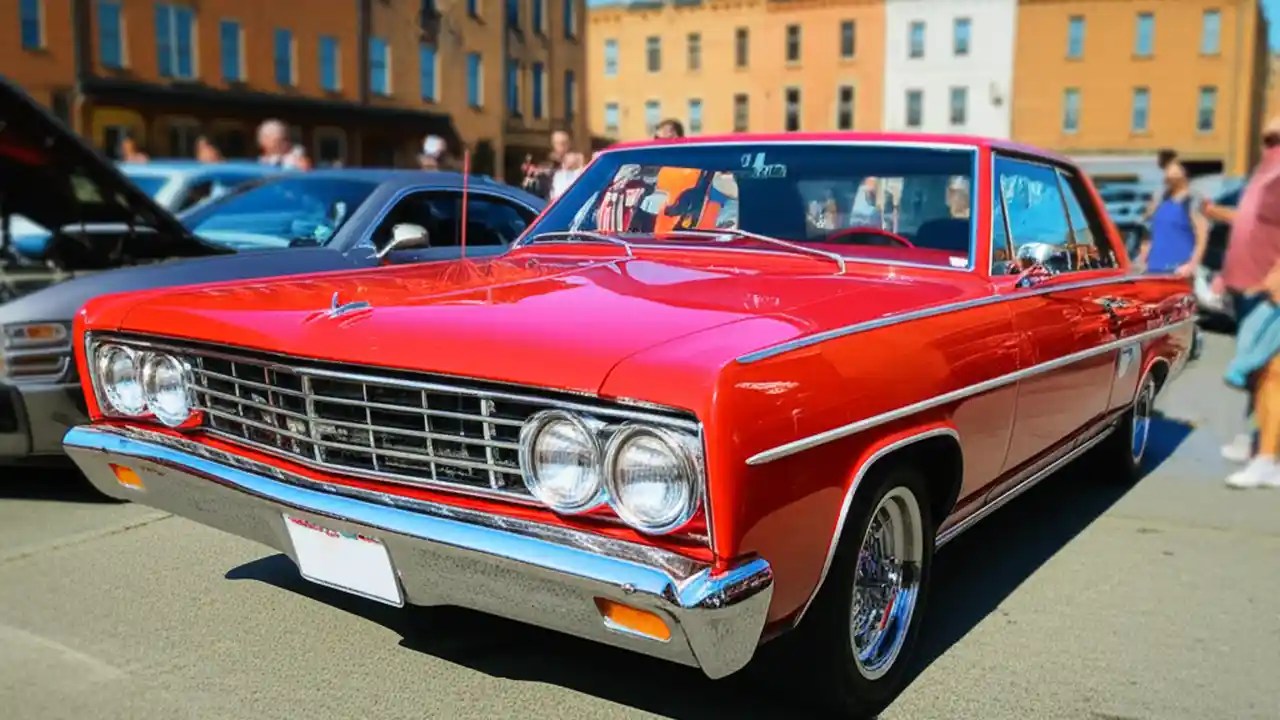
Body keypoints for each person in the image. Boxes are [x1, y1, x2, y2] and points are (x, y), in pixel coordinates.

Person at [1200, 117, 1280, 486]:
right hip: (1251, 285)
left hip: (1270, 286)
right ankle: (1260, 444)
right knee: (1260, 371)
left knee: (1270, 372)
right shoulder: (1266, 172)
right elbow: (1254, 220)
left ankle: (1268, 458)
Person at [1136, 159, 1207, 276]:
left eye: (1175, 173)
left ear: (1184, 176)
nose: (1170, 177)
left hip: (1178, 271)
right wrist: (1142, 260)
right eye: (1168, 173)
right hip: (1153, 270)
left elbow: (1202, 236)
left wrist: (1191, 266)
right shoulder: (1160, 200)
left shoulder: (1192, 200)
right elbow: (1150, 233)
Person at [521, 130, 573, 198]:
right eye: (557, 143)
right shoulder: (544, 168)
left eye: (564, 143)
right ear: (552, 145)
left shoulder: (577, 168)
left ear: (570, 144)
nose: (561, 147)